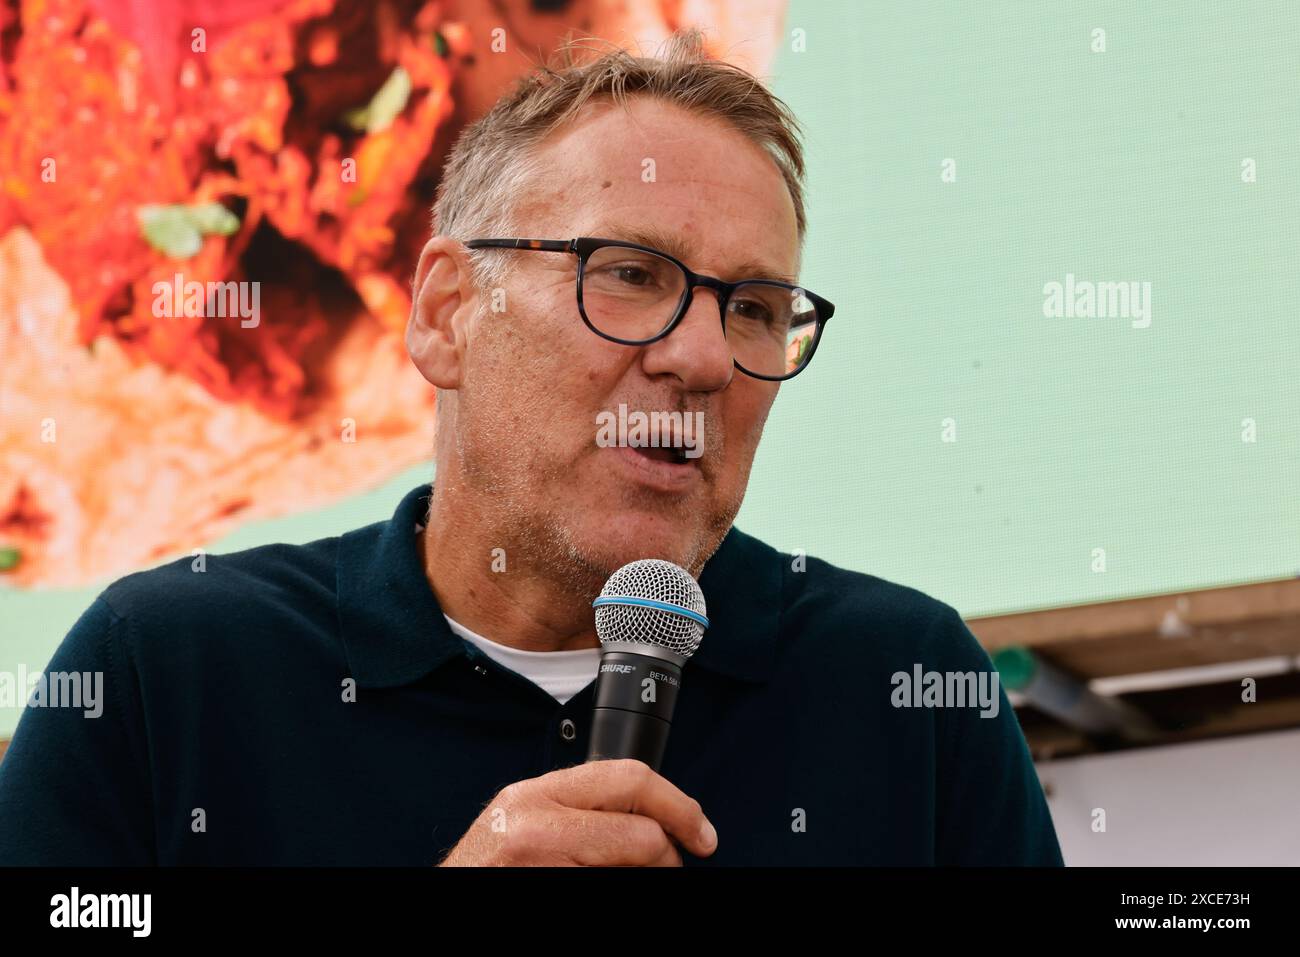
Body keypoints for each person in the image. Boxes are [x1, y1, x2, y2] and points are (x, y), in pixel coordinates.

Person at [0, 29, 1063, 866]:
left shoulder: (901, 686)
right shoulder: (169, 669)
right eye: (631, 274)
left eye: (752, 307)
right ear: (448, 313)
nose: (701, 357)